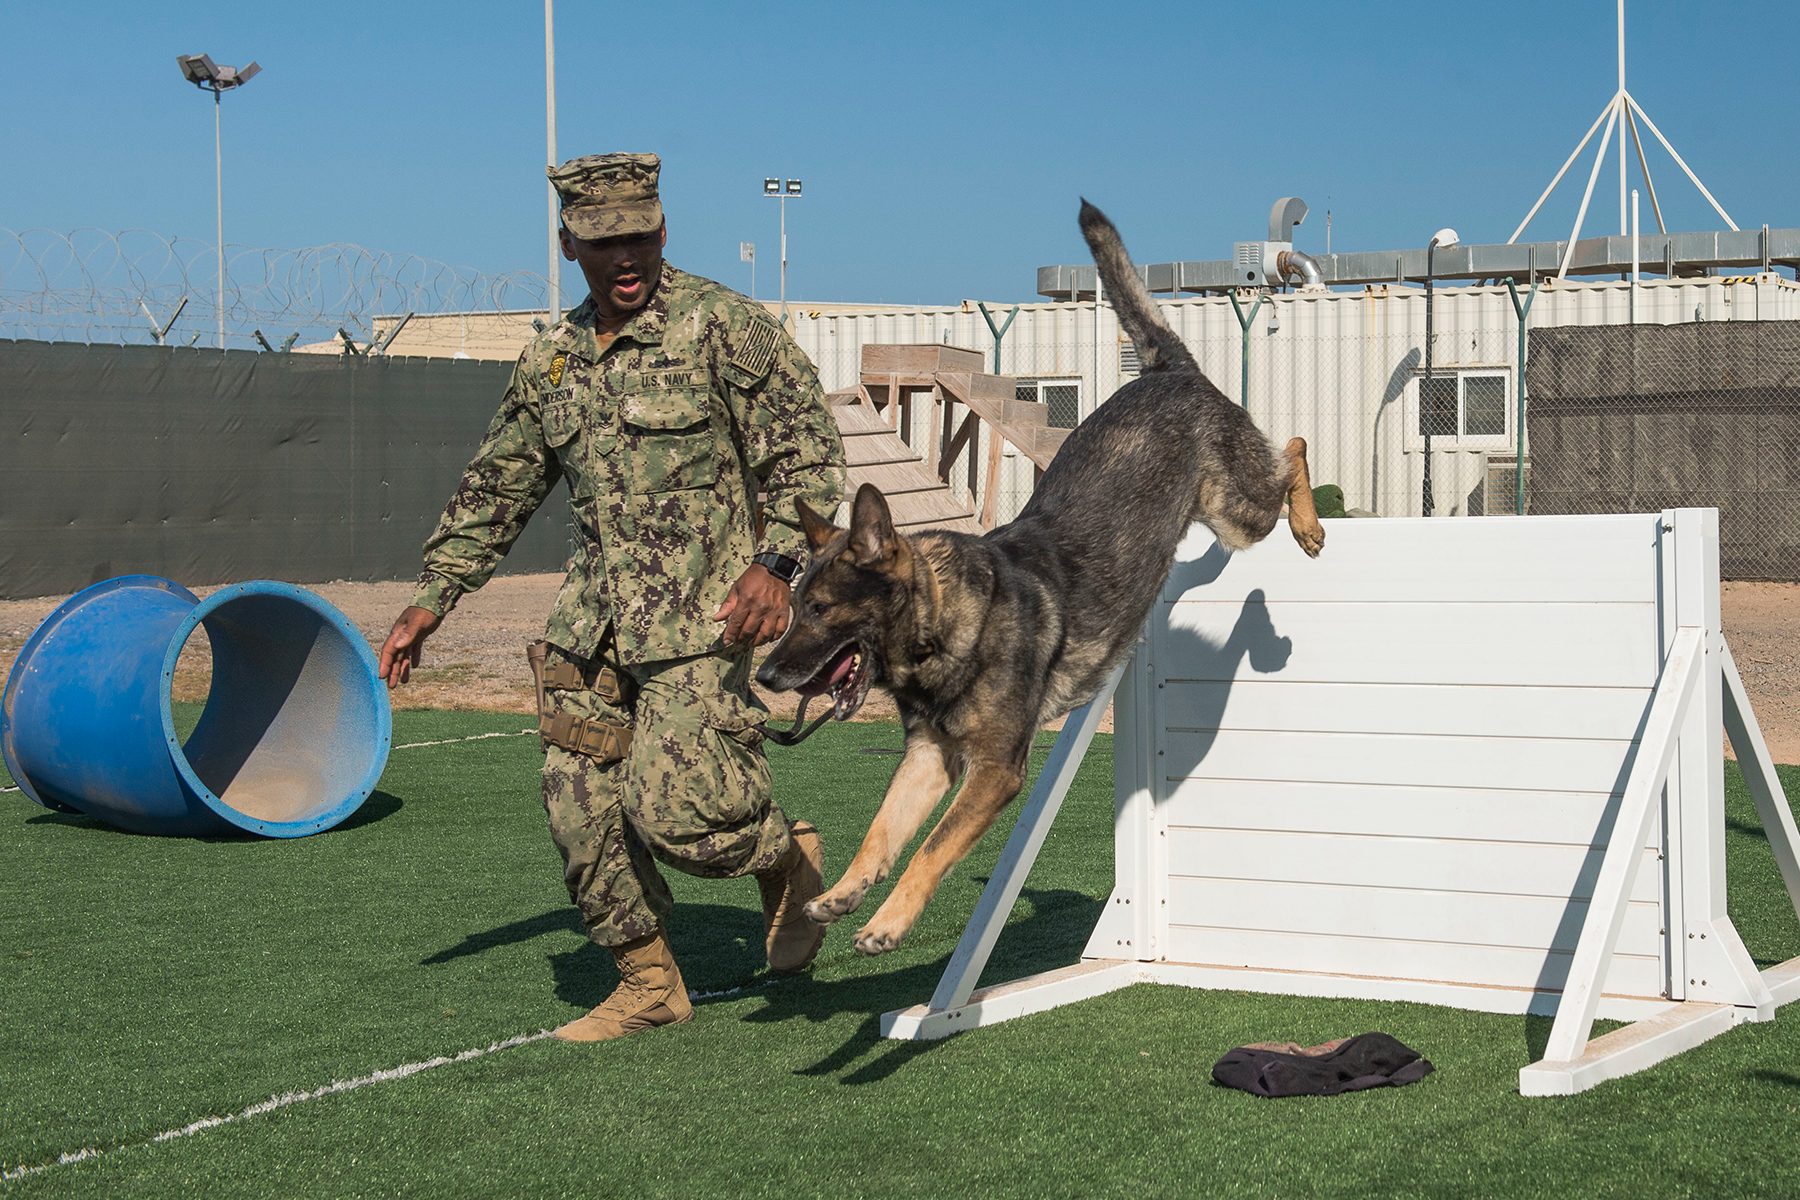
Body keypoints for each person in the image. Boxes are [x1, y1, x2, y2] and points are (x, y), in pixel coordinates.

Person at [378, 152, 846, 1042]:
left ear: (662, 231)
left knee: (684, 814)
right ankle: (648, 983)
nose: (623, 257)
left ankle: (786, 860)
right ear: (569, 246)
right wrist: (433, 597)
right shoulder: (551, 360)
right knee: (577, 806)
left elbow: (806, 455)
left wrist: (778, 564)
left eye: (637, 237)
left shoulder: (721, 326)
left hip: (703, 619)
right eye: (601, 243)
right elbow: (500, 484)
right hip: (591, 628)